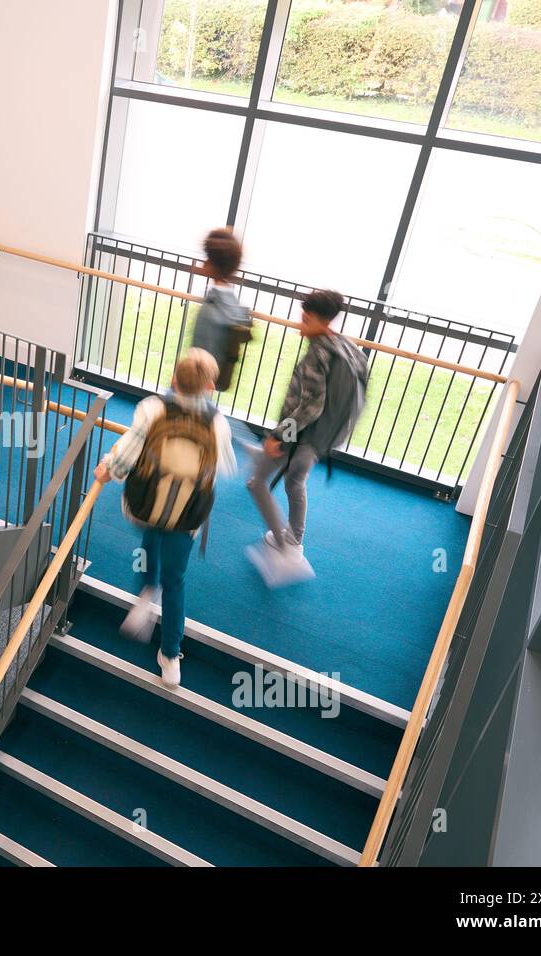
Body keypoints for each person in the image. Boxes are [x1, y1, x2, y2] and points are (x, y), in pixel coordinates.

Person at [94, 349, 235, 687]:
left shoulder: (152, 409)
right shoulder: (217, 424)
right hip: (185, 517)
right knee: (177, 581)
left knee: (148, 543)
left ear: (174, 380)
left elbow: (129, 451)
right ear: (210, 387)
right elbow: (221, 470)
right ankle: (170, 655)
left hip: (146, 507)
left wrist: (108, 470)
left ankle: (145, 591)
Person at [245, 288, 367, 588]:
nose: (300, 324)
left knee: (256, 483)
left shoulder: (318, 354)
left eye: (305, 319)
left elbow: (309, 406)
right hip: (320, 441)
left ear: (320, 323)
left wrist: (278, 436)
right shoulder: (348, 349)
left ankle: (286, 555)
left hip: (299, 437)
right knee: (294, 481)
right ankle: (294, 539)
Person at [188, 227, 252, 394]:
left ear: (211, 264)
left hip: (195, 385)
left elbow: (199, 362)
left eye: (206, 258)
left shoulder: (212, 309)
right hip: (209, 384)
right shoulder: (232, 303)